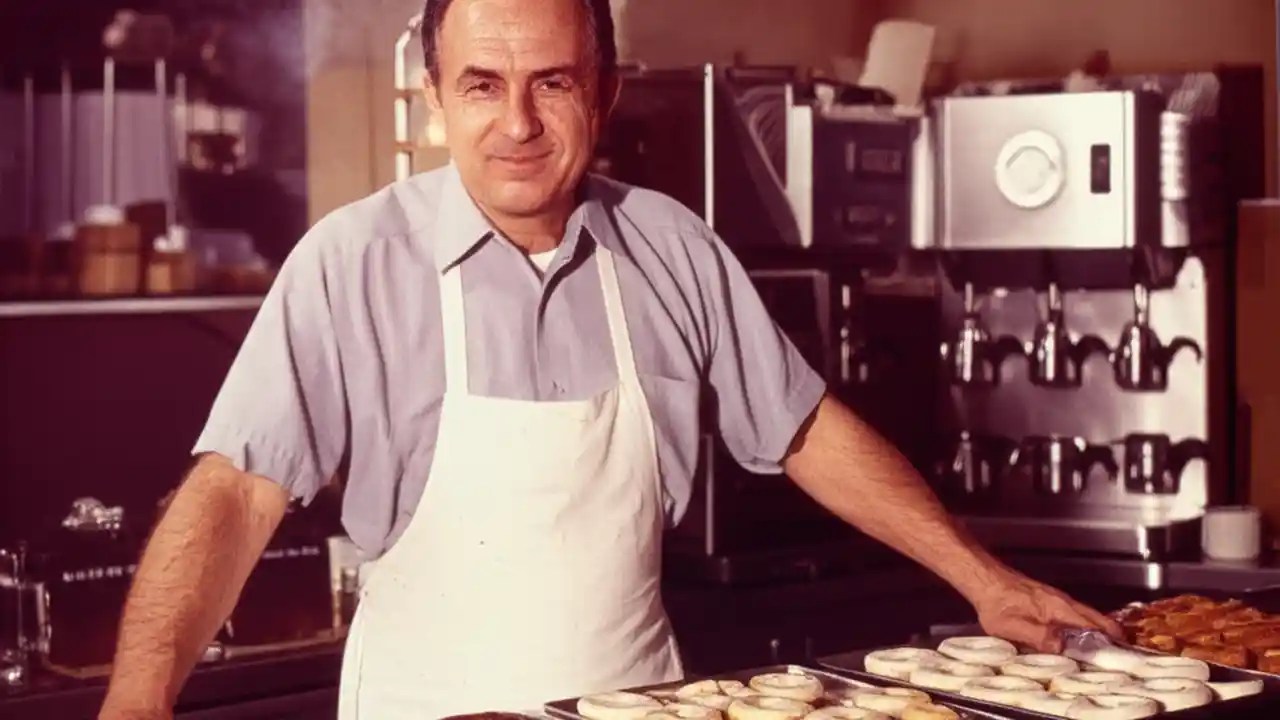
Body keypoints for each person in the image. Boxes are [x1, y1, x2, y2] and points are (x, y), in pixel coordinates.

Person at [99, 0, 1123, 717]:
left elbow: (802, 429)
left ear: (606, 89)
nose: (516, 124)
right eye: (482, 84)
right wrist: (142, 697)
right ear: (434, 96)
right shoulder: (352, 261)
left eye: (551, 82)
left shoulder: (668, 245)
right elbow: (235, 491)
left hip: (642, 704)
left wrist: (980, 579)